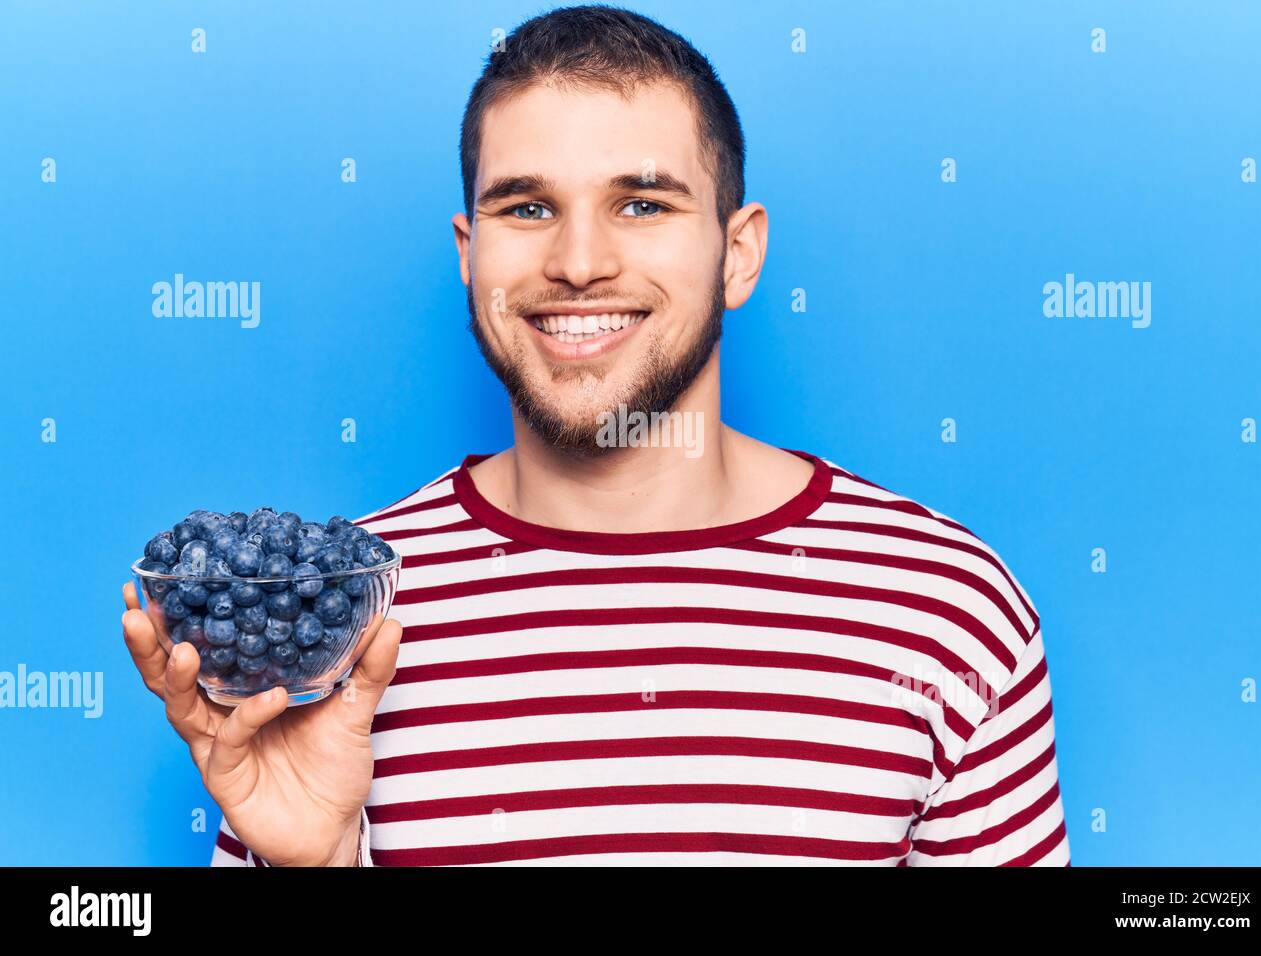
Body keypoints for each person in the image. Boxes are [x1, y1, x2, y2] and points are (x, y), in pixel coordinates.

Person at [121, 4, 1069, 866]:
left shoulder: (944, 608)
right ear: (470, 253)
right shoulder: (341, 622)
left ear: (738, 254)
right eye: (527, 208)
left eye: (643, 203)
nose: (578, 263)